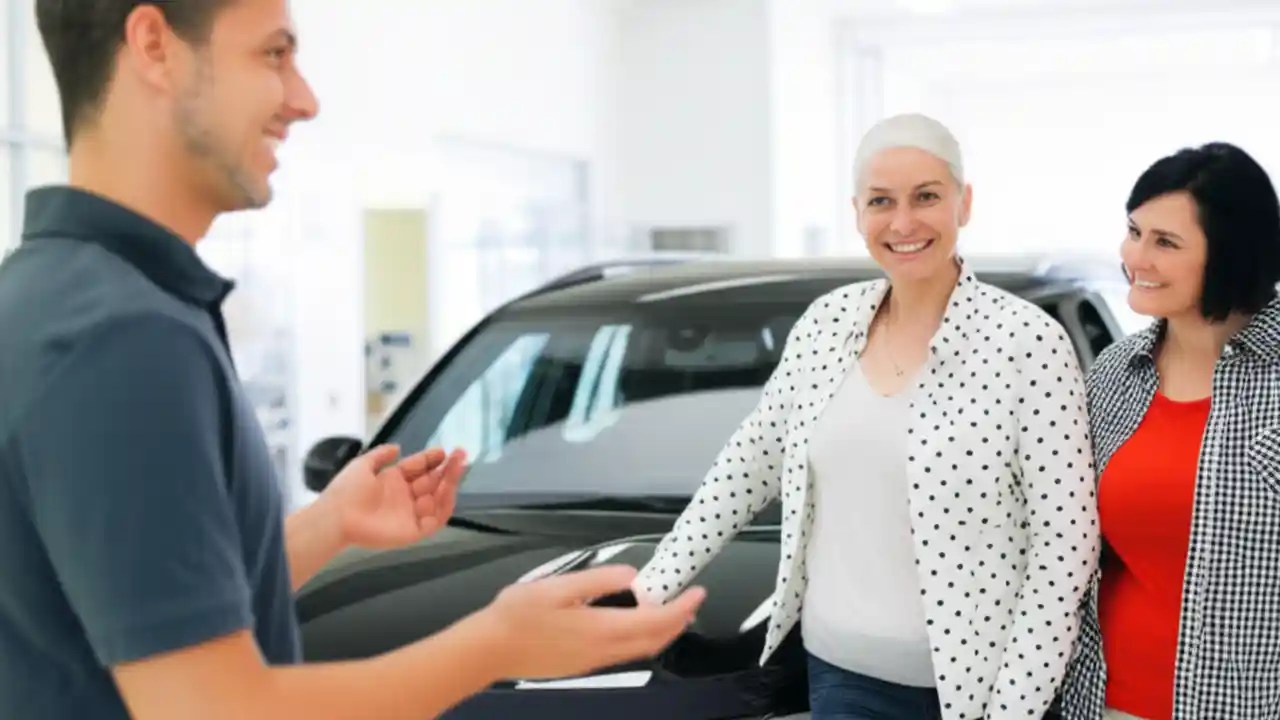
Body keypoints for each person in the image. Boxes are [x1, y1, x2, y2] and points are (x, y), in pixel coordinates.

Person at [0, 2, 705, 718]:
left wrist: (329, 524)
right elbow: (214, 709)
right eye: (273, 55)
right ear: (155, 45)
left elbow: (150, 600)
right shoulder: (123, 337)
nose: (304, 101)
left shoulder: (53, 296)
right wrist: (494, 647)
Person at [631, 113, 1100, 720]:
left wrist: (1013, 710)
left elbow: (1066, 545)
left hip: (974, 692)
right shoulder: (827, 324)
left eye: (926, 197)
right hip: (839, 679)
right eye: (882, 201)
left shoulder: (1027, 342)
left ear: (965, 202)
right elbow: (747, 465)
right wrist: (647, 592)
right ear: (857, 212)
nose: (903, 223)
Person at [1060, 143, 1280, 720]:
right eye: (1134, 232)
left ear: (1231, 256)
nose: (1136, 257)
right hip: (1105, 702)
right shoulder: (1113, 373)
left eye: (1165, 243)